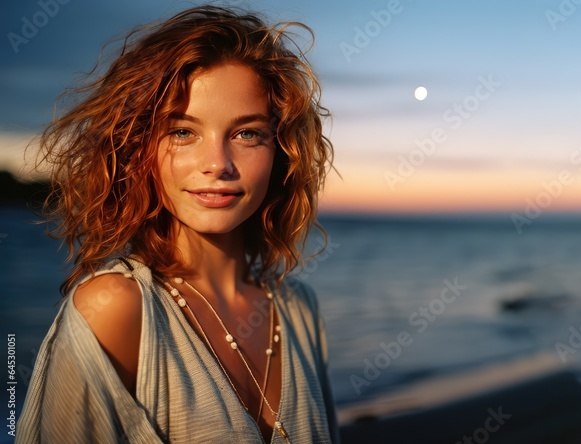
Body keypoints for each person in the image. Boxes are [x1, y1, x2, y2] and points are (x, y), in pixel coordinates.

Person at [16, 5, 339, 443]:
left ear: (280, 153)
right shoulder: (116, 309)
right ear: (138, 149)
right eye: (183, 132)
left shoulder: (299, 308)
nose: (217, 164)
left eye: (247, 133)